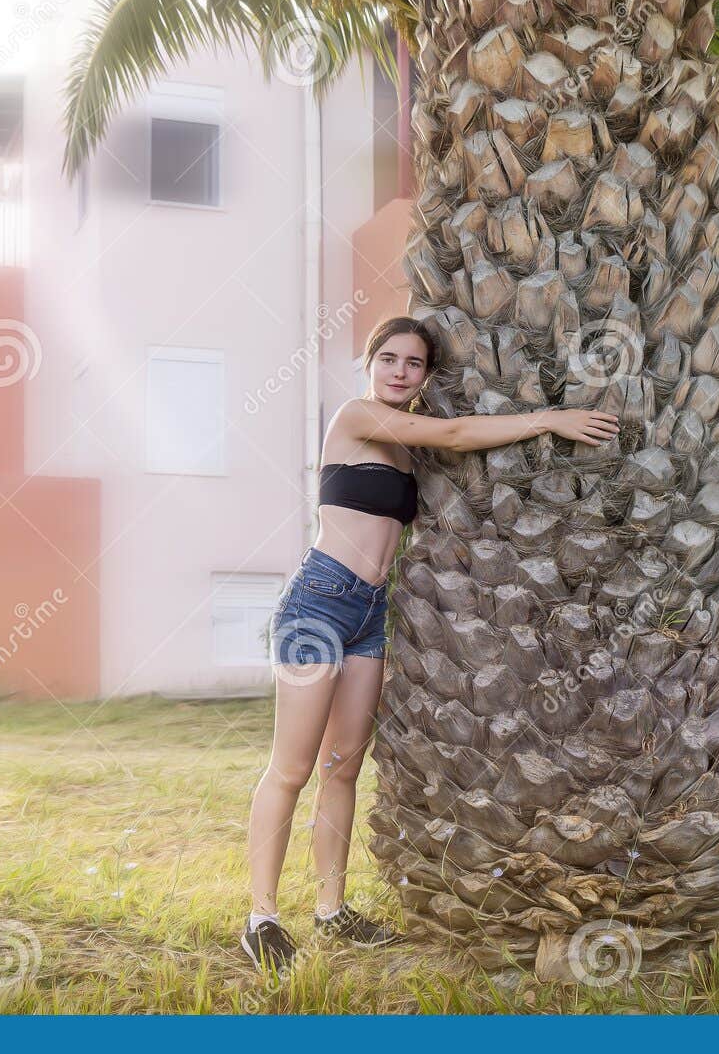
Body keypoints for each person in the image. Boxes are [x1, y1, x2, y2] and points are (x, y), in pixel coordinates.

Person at [241, 313, 622, 975]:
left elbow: (447, 446)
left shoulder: (405, 445)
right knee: (293, 768)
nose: (398, 371)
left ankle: (332, 910)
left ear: (425, 374)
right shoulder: (357, 418)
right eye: (388, 357)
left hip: (368, 610)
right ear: (369, 362)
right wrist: (549, 418)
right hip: (319, 603)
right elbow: (452, 432)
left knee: (342, 768)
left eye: (413, 363)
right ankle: (262, 916)